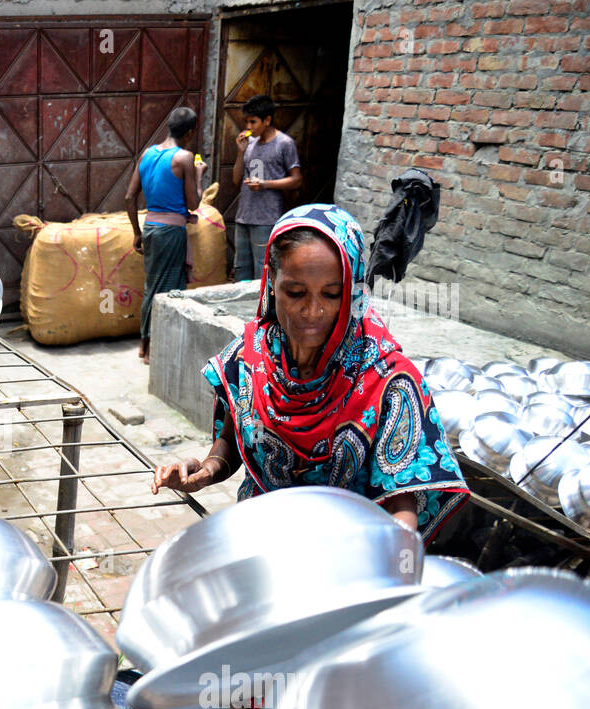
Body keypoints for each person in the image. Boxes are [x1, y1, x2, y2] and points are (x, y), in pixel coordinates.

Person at [152, 204, 470, 543]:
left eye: (331, 294)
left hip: (348, 558)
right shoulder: (247, 358)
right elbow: (231, 442)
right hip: (259, 542)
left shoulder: (388, 381)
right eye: (296, 292)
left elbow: (401, 497)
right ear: (271, 282)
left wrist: (394, 548)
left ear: (351, 292)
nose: (312, 311)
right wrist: (208, 469)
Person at [125, 107, 207, 365]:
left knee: (153, 287)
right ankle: (154, 349)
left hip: (150, 227)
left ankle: (144, 345)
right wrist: (199, 174)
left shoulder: (148, 153)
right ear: (191, 132)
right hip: (171, 232)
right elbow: (193, 204)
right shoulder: (184, 157)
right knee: (167, 290)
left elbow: (130, 197)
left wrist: (137, 233)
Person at [233, 95, 302, 283]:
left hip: (266, 219)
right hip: (244, 216)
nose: (248, 127)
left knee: (262, 272)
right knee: (241, 270)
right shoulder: (250, 144)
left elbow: (296, 180)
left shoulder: (284, 144)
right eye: (246, 122)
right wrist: (240, 153)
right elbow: (236, 179)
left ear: (267, 120)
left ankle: (262, 311)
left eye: (253, 122)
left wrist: (265, 184)